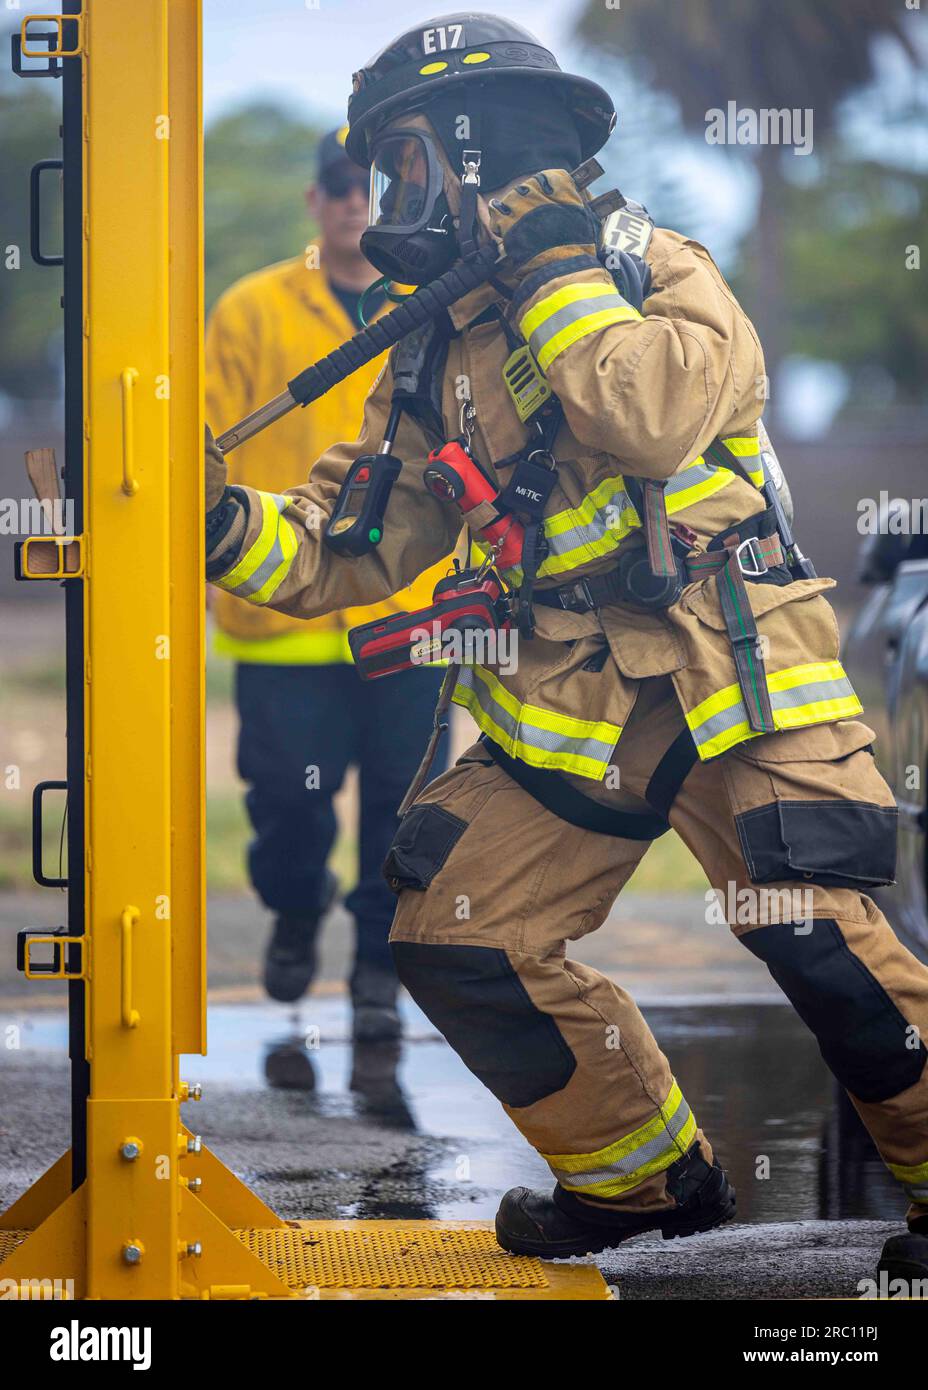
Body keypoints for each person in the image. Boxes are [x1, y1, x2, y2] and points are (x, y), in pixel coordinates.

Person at [203, 15, 928, 1278]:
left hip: (733, 667)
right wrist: (215, 520)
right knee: (449, 932)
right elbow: (348, 545)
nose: (393, 200)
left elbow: (638, 418)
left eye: (412, 166)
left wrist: (551, 267)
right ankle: (645, 1181)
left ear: (487, 156)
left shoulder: (653, 266)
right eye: (386, 174)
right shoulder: (430, 348)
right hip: (574, 700)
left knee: (819, 938)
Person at [205, 126, 449, 1042]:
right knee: (289, 805)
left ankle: (377, 972)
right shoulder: (249, 310)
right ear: (315, 201)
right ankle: (296, 913)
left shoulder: (436, 302)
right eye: (339, 185)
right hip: (284, 621)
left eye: (371, 185)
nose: (355, 200)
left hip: (414, 618)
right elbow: (199, 447)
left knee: (405, 806)